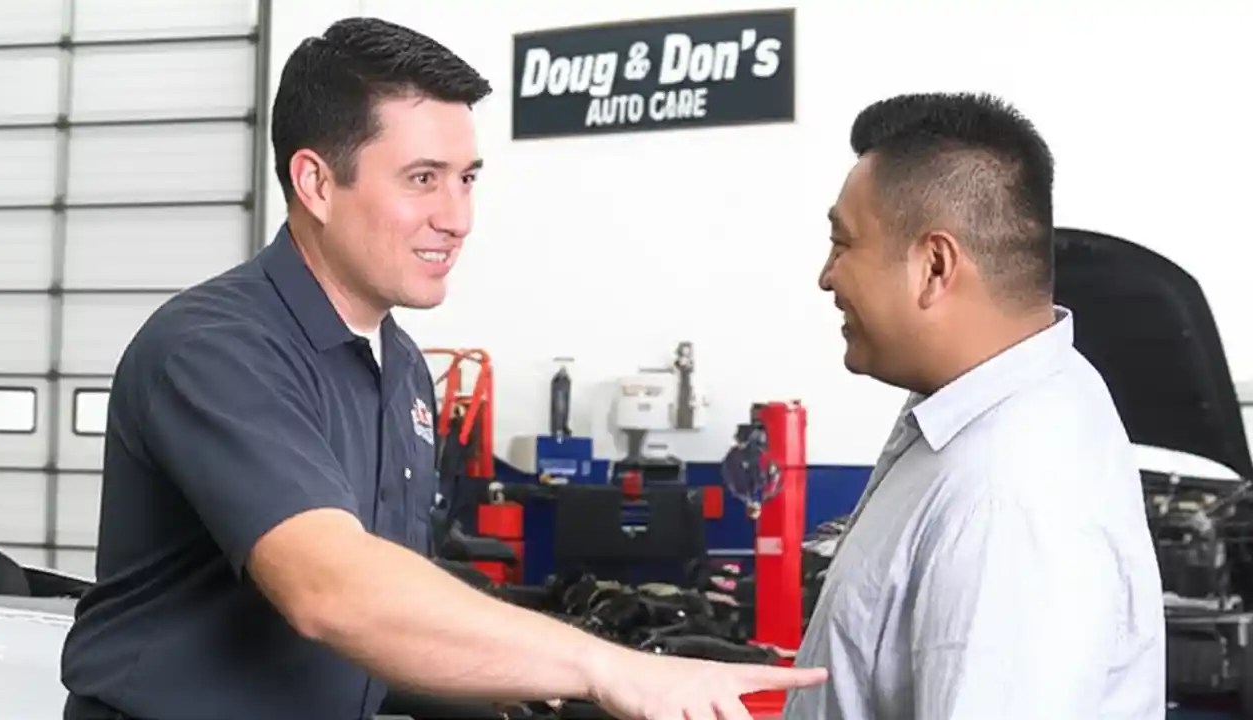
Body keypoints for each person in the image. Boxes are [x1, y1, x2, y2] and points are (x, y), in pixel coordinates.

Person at [58, 16, 827, 720]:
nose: (456, 217)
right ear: (316, 183)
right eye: (423, 178)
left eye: (468, 178)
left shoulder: (403, 370)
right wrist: (603, 666)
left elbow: (393, 608)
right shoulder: (217, 348)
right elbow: (332, 590)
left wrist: (532, 684)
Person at [783, 92, 1166, 719]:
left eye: (842, 243)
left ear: (934, 265)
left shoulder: (1008, 497)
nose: (827, 276)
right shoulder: (995, 406)